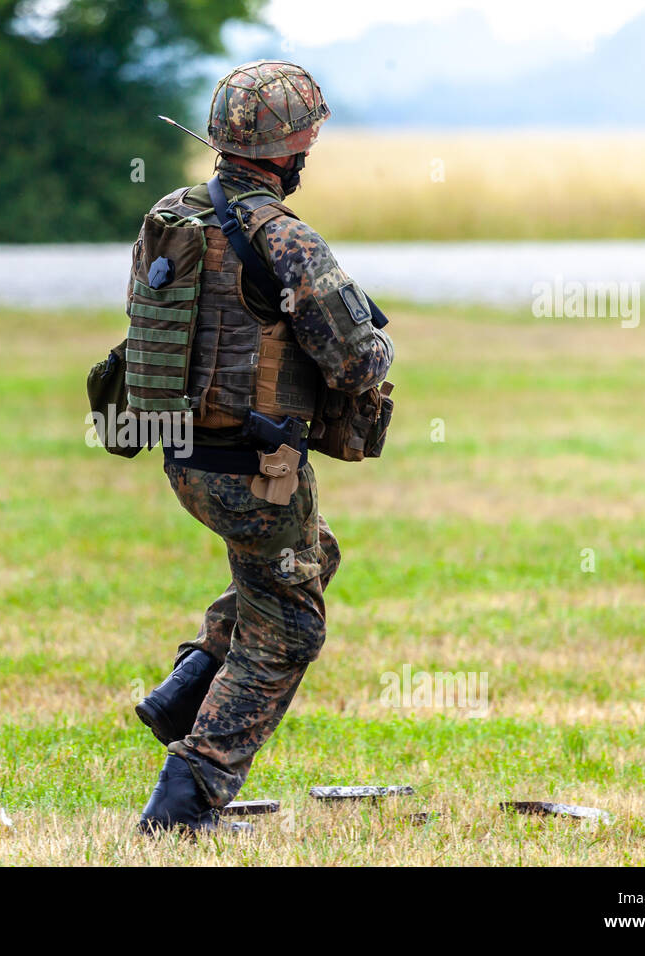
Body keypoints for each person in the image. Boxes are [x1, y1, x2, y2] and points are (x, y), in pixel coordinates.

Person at [129, 60, 394, 833]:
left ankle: (191, 678)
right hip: (260, 468)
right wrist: (378, 345)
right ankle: (189, 796)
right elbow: (353, 359)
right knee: (292, 625)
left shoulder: (171, 216)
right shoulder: (282, 237)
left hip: (186, 459)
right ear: (291, 150)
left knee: (311, 554)